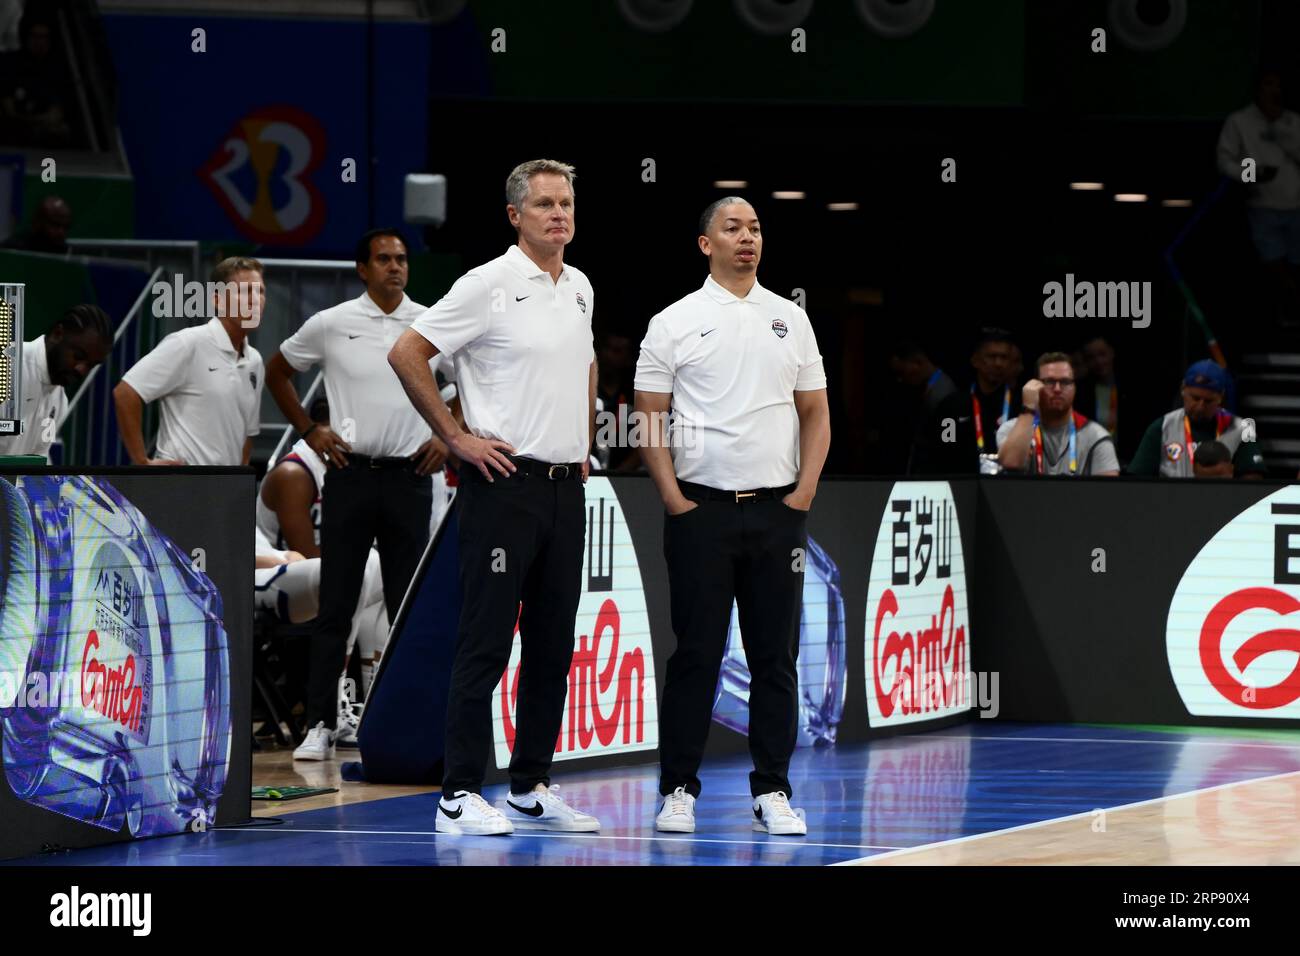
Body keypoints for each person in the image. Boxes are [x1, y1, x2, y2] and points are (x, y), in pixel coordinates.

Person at [389, 159, 600, 836]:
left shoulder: (580, 287)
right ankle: (457, 794)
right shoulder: (486, 284)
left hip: (565, 491)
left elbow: (585, 362)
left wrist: (582, 441)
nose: (559, 214)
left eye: (566, 203)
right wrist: (454, 437)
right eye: (544, 204)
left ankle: (531, 786)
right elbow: (406, 353)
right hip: (504, 488)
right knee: (484, 642)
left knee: (552, 646)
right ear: (515, 215)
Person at [634, 196, 830, 836]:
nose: (748, 238)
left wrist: (802, 495)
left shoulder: (791, 318)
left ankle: (773, 790)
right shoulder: (673, 321)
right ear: (705, 243)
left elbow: (816, 412)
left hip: (778, 513)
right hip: (701, 513)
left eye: (755, 228)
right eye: (733, 228)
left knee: (776, 658)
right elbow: (649, 416)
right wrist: (674, 500)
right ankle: (677, 790)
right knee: (696, 655)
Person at [264, 228, 444, 760]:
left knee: (406, 608)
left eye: (402, 259)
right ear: (362, 269)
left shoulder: (430, 322)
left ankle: (407, 719)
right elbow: (277, 371)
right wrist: (308, 430)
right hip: (350, 473)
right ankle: (320, 723)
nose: (395, 267)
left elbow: (469, 381)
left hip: (410, 477)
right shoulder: (332, 322)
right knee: (336, 604)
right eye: (384, 259)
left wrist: (448, 434)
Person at [256, 396, 390, 753]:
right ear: (321, 428)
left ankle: (368, 704)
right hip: (275, 578)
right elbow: (307, 551)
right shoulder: (295, 472)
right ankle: (336, 703)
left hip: (317, 581)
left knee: (380, 575)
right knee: (363, 566)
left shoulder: (343, 466)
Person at [114, 257, 264, 466]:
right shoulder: (187, 343)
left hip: (226, 483)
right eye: (245, 291)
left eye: (260, 291)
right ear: (218, 300)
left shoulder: (255, 360)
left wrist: (240, 477)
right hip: (181, 481)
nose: (255, 300)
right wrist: (141, 461)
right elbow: (125, 393)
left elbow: (248, 432)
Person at [1217, 68, 1300, 323]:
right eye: (1268, 84)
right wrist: (1250, 174)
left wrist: (1281, 131)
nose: (1274, 90)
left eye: (1278, 85)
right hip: (1261, 203)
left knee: (1296, 262)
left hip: (1296, 204)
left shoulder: (1294, 121)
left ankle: (1291, 311)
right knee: (1271, 262)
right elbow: (1225, 160)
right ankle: (1282, 310)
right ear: (1257, 88)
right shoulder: (1239, 121)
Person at [0, 303, 110, 459]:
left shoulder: (60, 402)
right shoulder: (7, 365)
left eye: (91, 365)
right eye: (78, 356)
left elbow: (40, 458)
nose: (81, 369)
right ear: (58, 334)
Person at [1127, 359, 1266, 479]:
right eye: (1195, 398)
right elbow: (1138, 479)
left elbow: (1253, 479)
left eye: (1208, 401)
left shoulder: (1243, 429)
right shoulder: (1163, 427)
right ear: (1183, 389)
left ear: (1220, 397)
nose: (1200, 407)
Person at [996, 351, 1119, 476]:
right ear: (1034, 386)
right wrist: (1029, 408)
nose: (1057, 389)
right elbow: (1011, 463)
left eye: (1065, 382)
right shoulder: (1011, 429)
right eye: (1049, 381)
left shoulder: (1096, 436)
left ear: (1074, 387)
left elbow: (1108, 487)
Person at [889, 339, 967, 475]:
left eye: (901, 372)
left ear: (917, 363)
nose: (900, 379)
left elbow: (949, 442)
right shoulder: (932, 387)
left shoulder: (944, 393)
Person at [967, 327, 1020, 464]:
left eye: (1004, 357)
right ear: (975, 360)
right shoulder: (953, 405)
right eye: (991, 357)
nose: (998, 363)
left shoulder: (1021, 406)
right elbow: (944, 450)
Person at [2, 196, 72, 254]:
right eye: (55, 225)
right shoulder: (12, 250)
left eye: (65, 227)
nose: (61, 232)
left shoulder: (67, 253)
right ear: (39, 223)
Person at [1081, 335, 1119, 441]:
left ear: (1112, 352)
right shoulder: (1083, 392)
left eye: (1102, 354)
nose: (1098, 361)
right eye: (1091, 357)